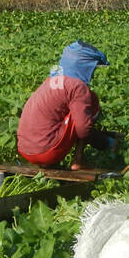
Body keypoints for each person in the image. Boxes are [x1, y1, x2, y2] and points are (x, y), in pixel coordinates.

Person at [16, 41, 117, 169]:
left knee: (74, 113)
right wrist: (106, 143)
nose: (92, 74)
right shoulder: (77, 86)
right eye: (92, 69)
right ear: (84, 66)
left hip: (25, 150)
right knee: (90, 104)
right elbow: (83, 129)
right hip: (46, 152)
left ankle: (51, 162)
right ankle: (78, 161)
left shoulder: (51, 80)